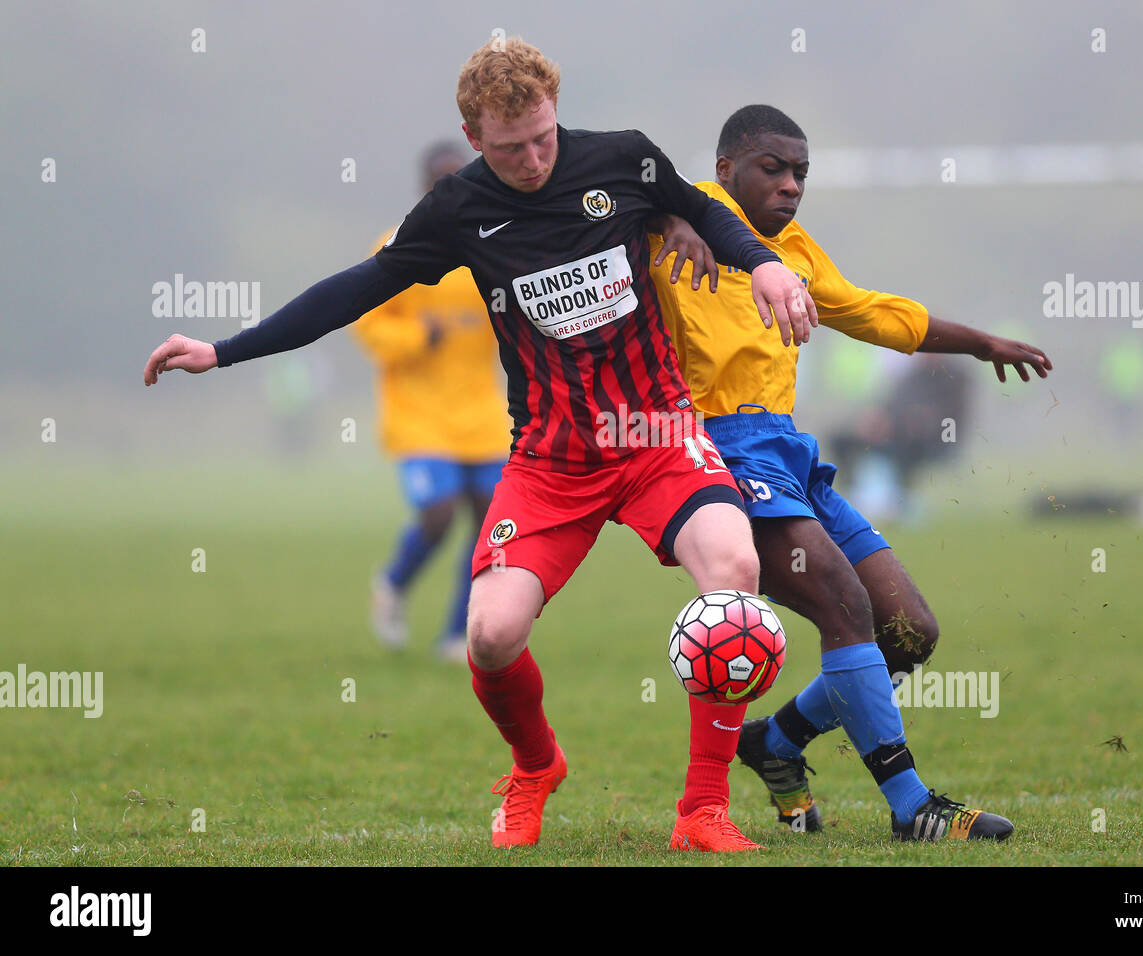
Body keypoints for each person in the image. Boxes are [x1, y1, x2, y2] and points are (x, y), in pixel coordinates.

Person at [143, 40, 817, 852]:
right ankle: (536, 766)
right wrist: (225, 350)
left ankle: (702, 811)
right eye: (509, 148)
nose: (533, 160)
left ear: (555, 112)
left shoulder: (623, 159)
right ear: (472, 137)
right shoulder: (457, 209)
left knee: (734, 574)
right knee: (492, 634)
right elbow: (358, 290)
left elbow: (703, 210)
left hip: (657, 437)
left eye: (542, 138)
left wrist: (766, 265)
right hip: (551, 459)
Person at [650, 104, 1052, 841]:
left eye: (801, 172)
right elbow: (607, 192)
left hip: (790, 454)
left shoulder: (794, 250)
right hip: (720, 454)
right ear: (725, 169)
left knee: (910, 632)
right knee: (843, 605)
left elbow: (871, 313)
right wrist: (671, 219)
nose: (791, 185)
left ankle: (774, 744)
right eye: (773, 168)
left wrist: (979, 342)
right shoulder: (669, 228)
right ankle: (912, 805)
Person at [353, 142, 511, 660]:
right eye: (441, 180)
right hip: (419, 415)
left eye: (459, 177)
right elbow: (369, 323)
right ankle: (394, 582)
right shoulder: (399, 246)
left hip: (481, 413)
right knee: (439, 513)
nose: (452, 188)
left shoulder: (491, 247)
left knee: (492, 522)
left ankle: (456, 633)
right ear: (425, 188)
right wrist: (421, 334)